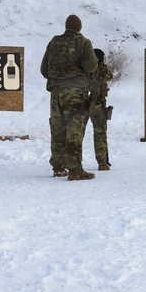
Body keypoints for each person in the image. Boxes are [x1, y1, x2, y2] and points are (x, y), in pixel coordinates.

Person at [40, 14, 98, 180]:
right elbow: (91, 66)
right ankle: (75, 170)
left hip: (55, 91)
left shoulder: (54, 42)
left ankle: (58, 167)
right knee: (75, 129)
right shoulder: (83, 42)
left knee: (57, 128)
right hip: (75, 91)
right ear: (79, 28)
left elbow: (44, 69)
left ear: (66, 27)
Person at [88, 48, 113, 171]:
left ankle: (72, 164)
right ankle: (102, 162)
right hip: (97, 104)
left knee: (75, 135)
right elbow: (109, 76)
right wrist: (101, 64)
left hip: (81, 103)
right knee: (100, 134)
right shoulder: (100, 69)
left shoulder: (84, 67)